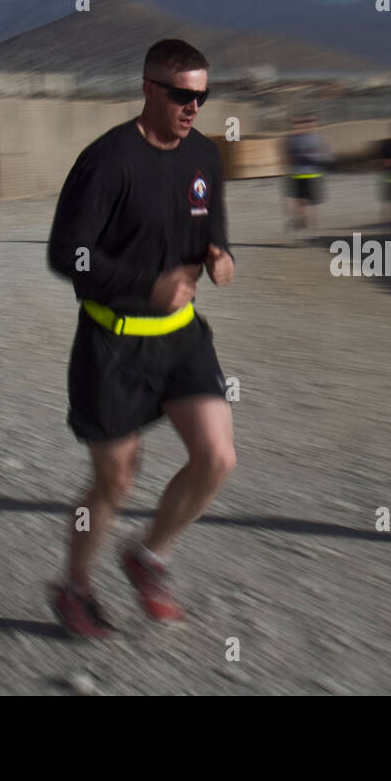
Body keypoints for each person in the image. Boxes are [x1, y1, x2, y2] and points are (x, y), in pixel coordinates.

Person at [46, 38, 237, 637]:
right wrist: (143, 285)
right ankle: (75, 586)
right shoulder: (106, 161)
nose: (194, 107)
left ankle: (149, 558)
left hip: (182, 338)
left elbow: (213, 224)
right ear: (150, 89)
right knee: (115, 481)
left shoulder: (204, 156)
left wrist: (220, 255)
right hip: (113, 344)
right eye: (183, 95)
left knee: (217, 458)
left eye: (203, 96)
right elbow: (65, 254)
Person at [283, 112, 332, 240]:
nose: (308, 125)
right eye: (305, 122)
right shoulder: (292, 139)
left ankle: (311, 230)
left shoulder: (319, 138)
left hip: (314, 175)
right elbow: (288, 158)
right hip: (298, 175)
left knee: (313, 205)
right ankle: (299, 226)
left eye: (311, 122)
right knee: (300, 205)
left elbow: (327, 156)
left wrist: (312, 155)